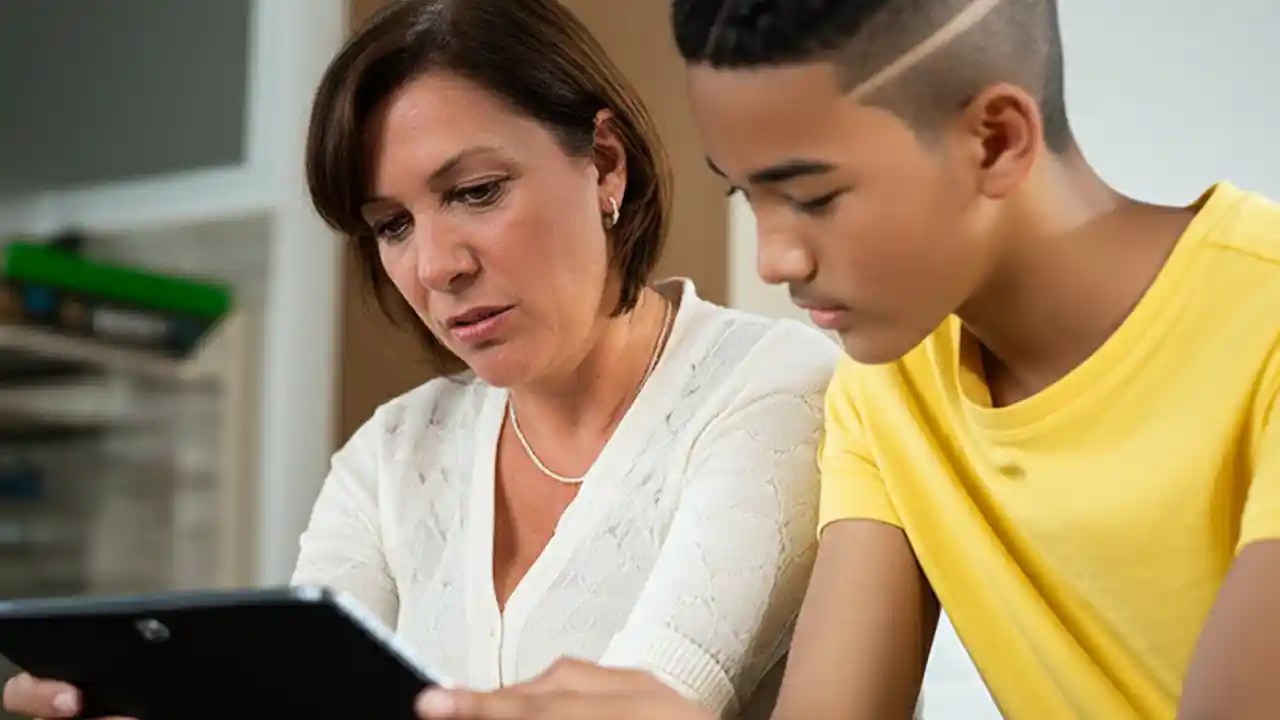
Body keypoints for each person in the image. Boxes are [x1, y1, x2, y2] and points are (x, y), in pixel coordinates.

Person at [409, 0, 1280, 718]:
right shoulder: (885, 388)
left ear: (994, 139)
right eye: (748, 196)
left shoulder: (1264, 327)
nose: (774, 260)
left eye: (814, 197)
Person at [1, 1, 840, 719]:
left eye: (476, 192)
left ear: (605, 165)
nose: (436, 267)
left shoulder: (767, 386)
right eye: (392, 226)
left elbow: (651, 700)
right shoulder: (392, 454)